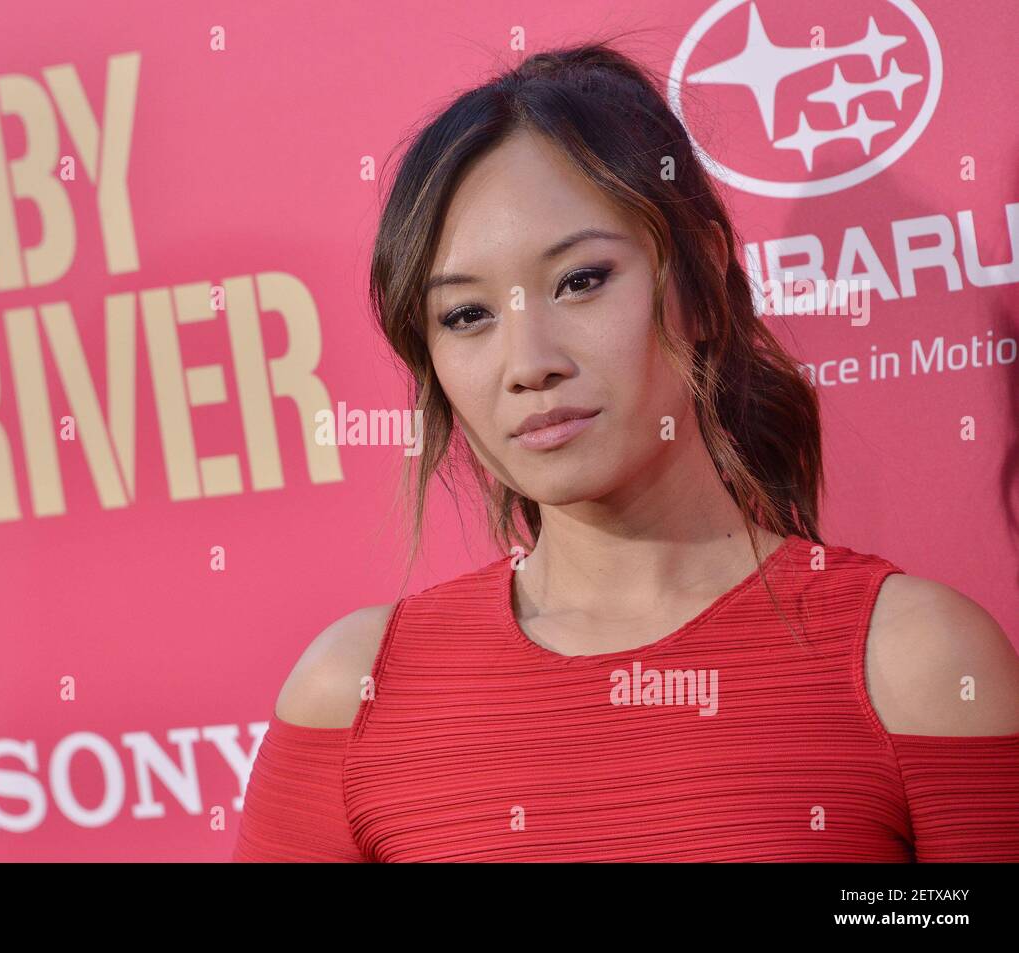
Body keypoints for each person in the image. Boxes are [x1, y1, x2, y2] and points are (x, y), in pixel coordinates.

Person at [233, 42, 1019, 862]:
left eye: (581, 280)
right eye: (467, 316)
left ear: (703, 284)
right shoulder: (353, 694)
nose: (529, 361)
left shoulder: (916, 665)